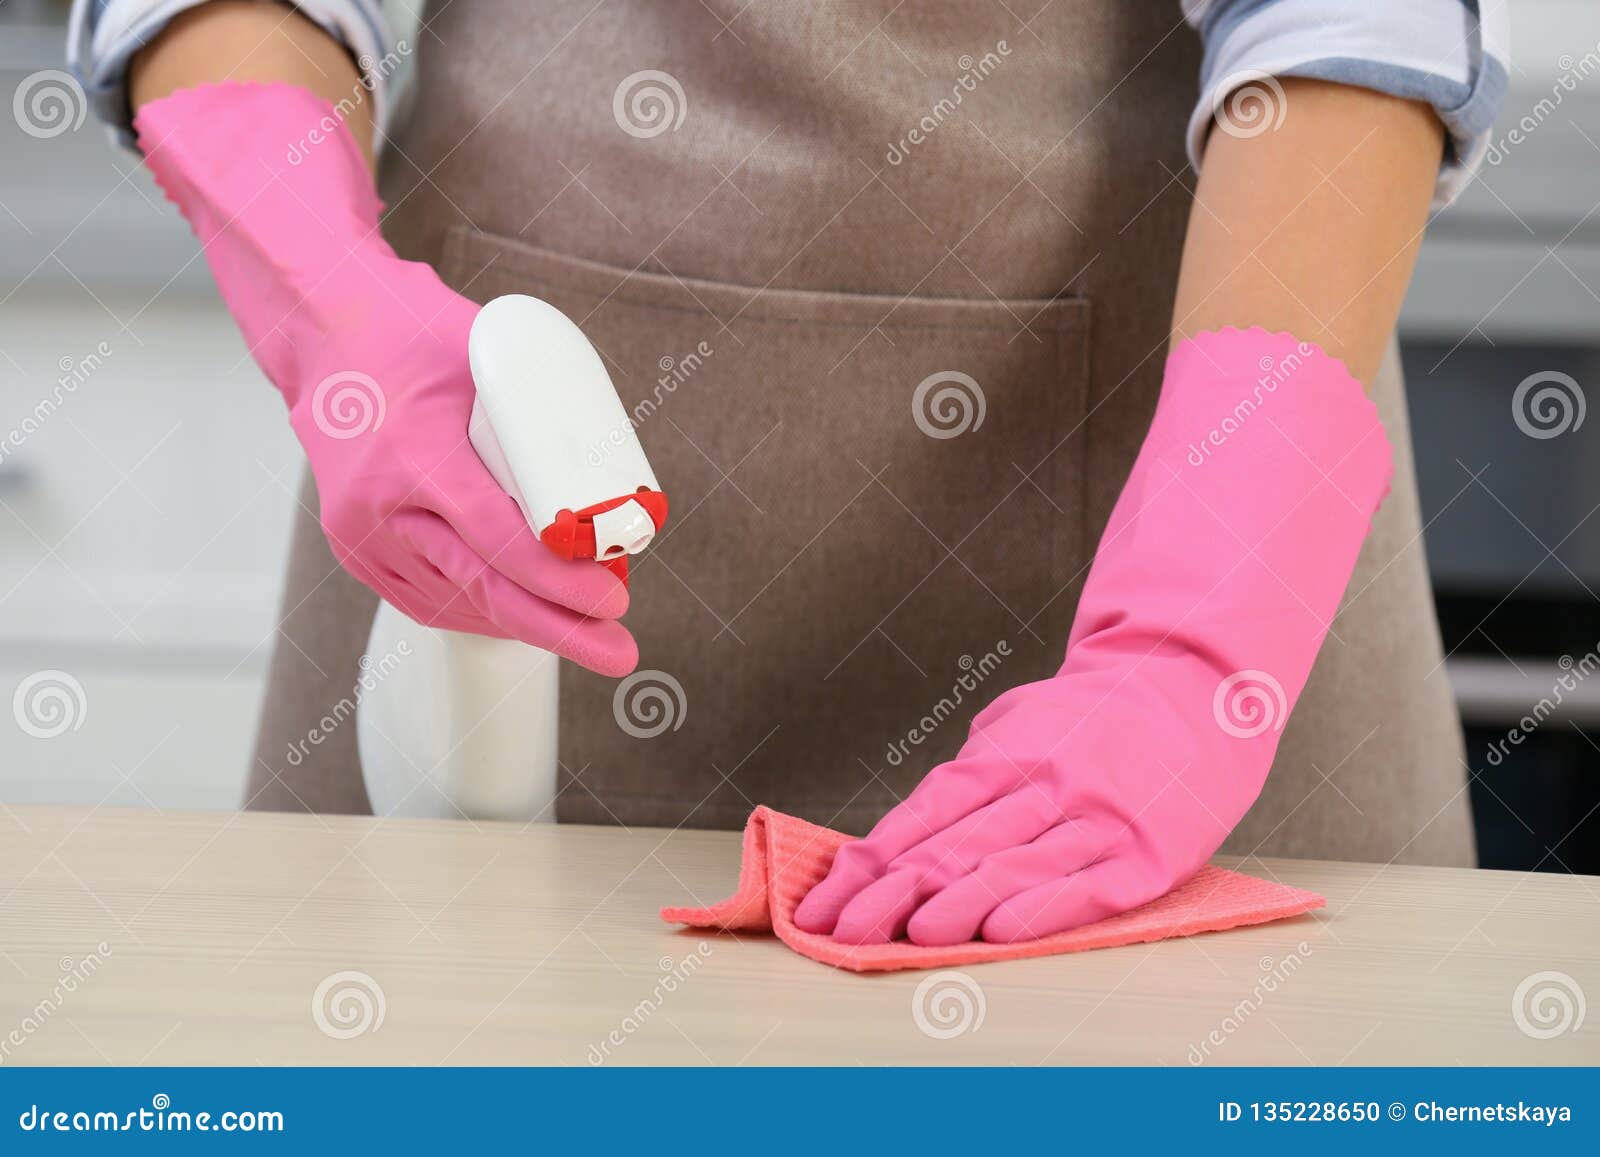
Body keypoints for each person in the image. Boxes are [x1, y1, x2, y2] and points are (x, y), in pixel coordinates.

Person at [71, 0, 1507, 942]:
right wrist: (324, 297)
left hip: (1186, 472)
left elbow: (1343, 20)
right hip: (485, 497)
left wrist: (1195, 645)